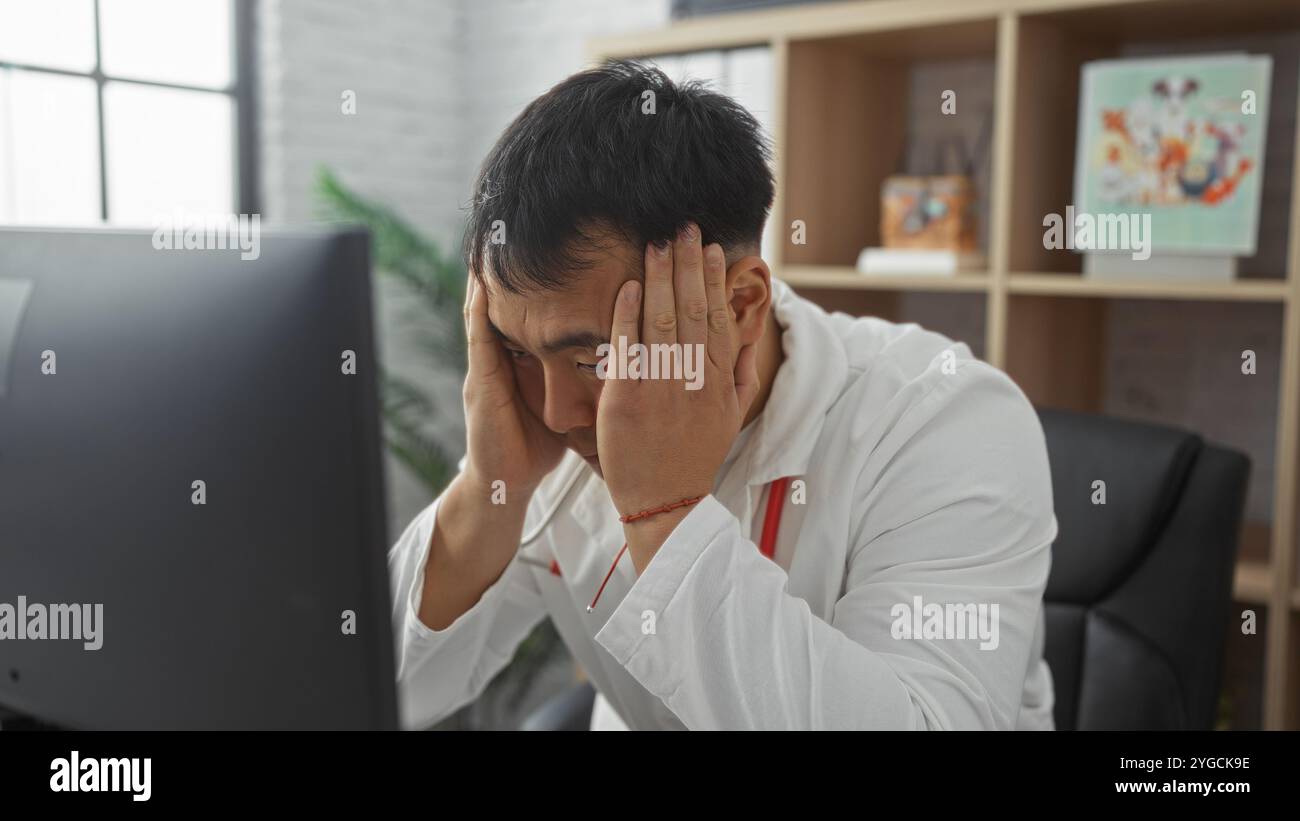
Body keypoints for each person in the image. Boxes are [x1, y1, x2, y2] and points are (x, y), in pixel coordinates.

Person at [388, 60, 1057, 730]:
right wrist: (488, 488)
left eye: (595, 355)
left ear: (739, 304)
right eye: (514, 352)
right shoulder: (544, 430)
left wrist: (666, 513)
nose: (555, 411)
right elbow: (383, 694)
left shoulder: (948, 421)